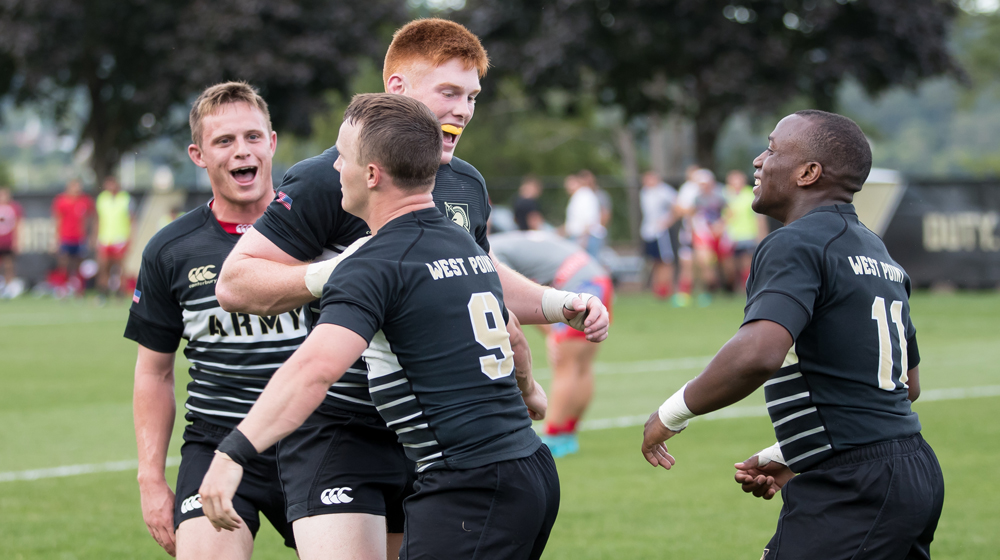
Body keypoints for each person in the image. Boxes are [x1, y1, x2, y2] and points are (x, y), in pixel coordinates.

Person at [213, 18, 608, 559]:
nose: (464, 110)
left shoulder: (465, 181)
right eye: (449, 92)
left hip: (433, 434)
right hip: (341, 424)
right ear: (397, 88)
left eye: (472, 96)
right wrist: (333, 275)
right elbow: (235, 282)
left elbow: (480, 275)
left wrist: (557, 304)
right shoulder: (332, 174)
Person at [641, 110, 944, 559]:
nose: (759, 161)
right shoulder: (876, 251)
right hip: (912, 469)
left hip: (855, 483)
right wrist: (794, 451)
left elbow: (759, 353)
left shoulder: (795, 242)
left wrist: (670, 414)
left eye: (772, 148)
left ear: (808, 173)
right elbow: (907, 386)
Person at [124, 82, 297, 559]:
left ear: (272, 142)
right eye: (224, 141)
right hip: (218, 440)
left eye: (252, 137)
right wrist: (151, 479)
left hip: (321, 439)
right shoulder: (170, 249)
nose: (242, 151)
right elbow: (154, 372)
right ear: (199, 155)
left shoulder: (323, 228)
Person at [491, 229, 613, 457]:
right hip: (596, 277)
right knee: (581, 365)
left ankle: (553, 436)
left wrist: (551, 335)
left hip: (578, 284)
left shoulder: (488, 250)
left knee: (565, 364)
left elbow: (515, 295)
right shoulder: (506, 240)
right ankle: (567, 433)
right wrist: (551, 334)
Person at [689, 168, 732, 304]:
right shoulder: (696, 198)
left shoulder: (719, 196)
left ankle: (727, 287)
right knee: (705, 262)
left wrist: (721, 225)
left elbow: (729, 212)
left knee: (726, 265)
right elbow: (693, 215)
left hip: (719, 233)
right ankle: (708, 290)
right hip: (704, 233)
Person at [723, 169, 768, 293]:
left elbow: (759, 218)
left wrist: (762, 235)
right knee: (730, 266)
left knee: (746, 264)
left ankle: (745, 289)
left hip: (747, 235)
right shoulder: (724, 194)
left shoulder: (750, 194)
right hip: (729, 237)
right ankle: (732, 288)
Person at [51, 178, 95, 295]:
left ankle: (79, 290)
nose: (77, 189)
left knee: (79, 265)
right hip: (65, 237)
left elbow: (91, 218)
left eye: (79, 186)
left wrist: (90, 236)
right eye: (74, 186)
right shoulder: (61, 201)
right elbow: (58, 220)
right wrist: (56, 239)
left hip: (80, 238)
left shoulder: (85, 200)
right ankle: (62, 288)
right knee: (64, 263)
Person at [639, 171, 677, 299]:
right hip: (649, 232)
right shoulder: (644, 192)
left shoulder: (663, 191)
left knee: (666, 260)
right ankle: (658, 289)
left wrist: (667, 221)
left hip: (661, 232)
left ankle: (667, 289)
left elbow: (677, 206)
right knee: (655, 261)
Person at [95, 175, 133, 297]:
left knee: (120, 267)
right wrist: (95, 236)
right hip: (105, 238)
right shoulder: (102, 199)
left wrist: (130, 237)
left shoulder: (125, 199)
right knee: (103, 266)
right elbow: (98, 219)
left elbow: (132, 220)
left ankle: (120, 291)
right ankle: (103, 290)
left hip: (120, 238)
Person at [671, 164, 701, 307]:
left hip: (702, 231)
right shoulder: (686, 189)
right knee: (686, 262)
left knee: (702, 263)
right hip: (687, 232)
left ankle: (701, 293)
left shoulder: (704, 188)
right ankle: (684, 293)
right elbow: (679, 209)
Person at [562, 171, 604, 258]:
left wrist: (584, 239)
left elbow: (589, 220)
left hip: (586, 238)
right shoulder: (579, 196)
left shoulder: (584, 195)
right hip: (581, 237)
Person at [0, 186, 23, 292]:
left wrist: (17, 241)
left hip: (8, 241)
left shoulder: (14, 207)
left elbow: (17, 225)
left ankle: (10, 286)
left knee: (9, 264)